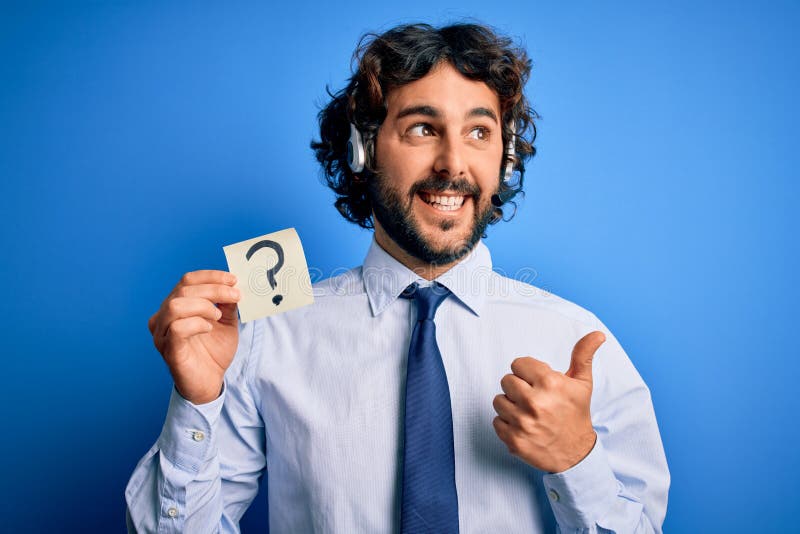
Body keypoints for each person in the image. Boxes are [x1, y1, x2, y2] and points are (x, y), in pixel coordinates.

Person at [125, 22, 669, 533]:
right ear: (363, 150)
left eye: (479, 131)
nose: (453, 163)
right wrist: (197, 398)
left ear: (504, 159)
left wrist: (578, 460)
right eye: (423, 129)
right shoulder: (269, 331)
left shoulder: (576, 342)